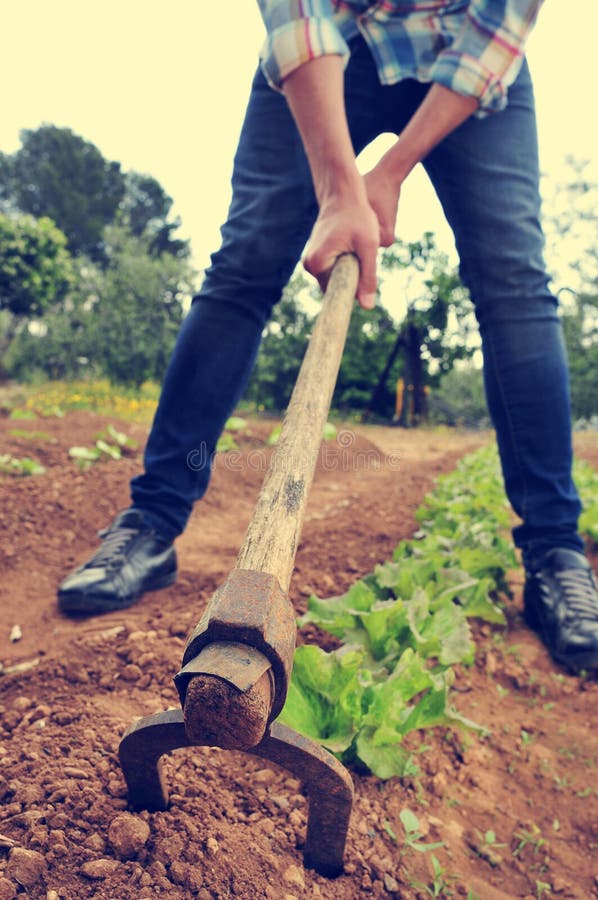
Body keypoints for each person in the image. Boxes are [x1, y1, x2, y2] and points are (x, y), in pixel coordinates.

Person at [57, 1, 598, 674]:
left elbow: (497, 31)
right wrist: (340, 188)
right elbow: (298, 16)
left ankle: (554, 552)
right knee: (245, 264)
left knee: (516, 284)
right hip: (328, 43)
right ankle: (152, 523)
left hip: (467, 59)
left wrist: (391, 173)